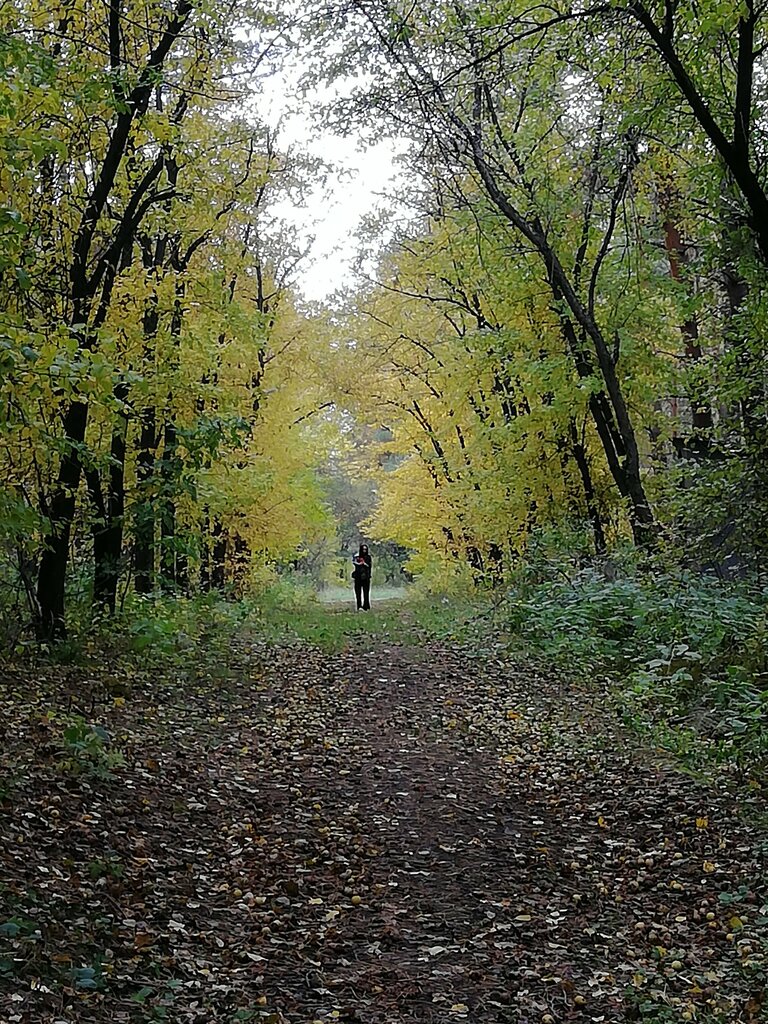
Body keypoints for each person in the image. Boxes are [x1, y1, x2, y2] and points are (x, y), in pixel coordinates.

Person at [351, 543, 372, 611]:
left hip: (366, 577)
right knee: (358, 593)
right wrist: (358, 563)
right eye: (363, 549)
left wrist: (364, 563)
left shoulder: (368, 557)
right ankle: (359, 606)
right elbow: (355, 564)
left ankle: (366, 606)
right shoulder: (357, 557)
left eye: (365, 549)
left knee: (366, 593)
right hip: (358, 577)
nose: (364, 551)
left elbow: (369, 566)